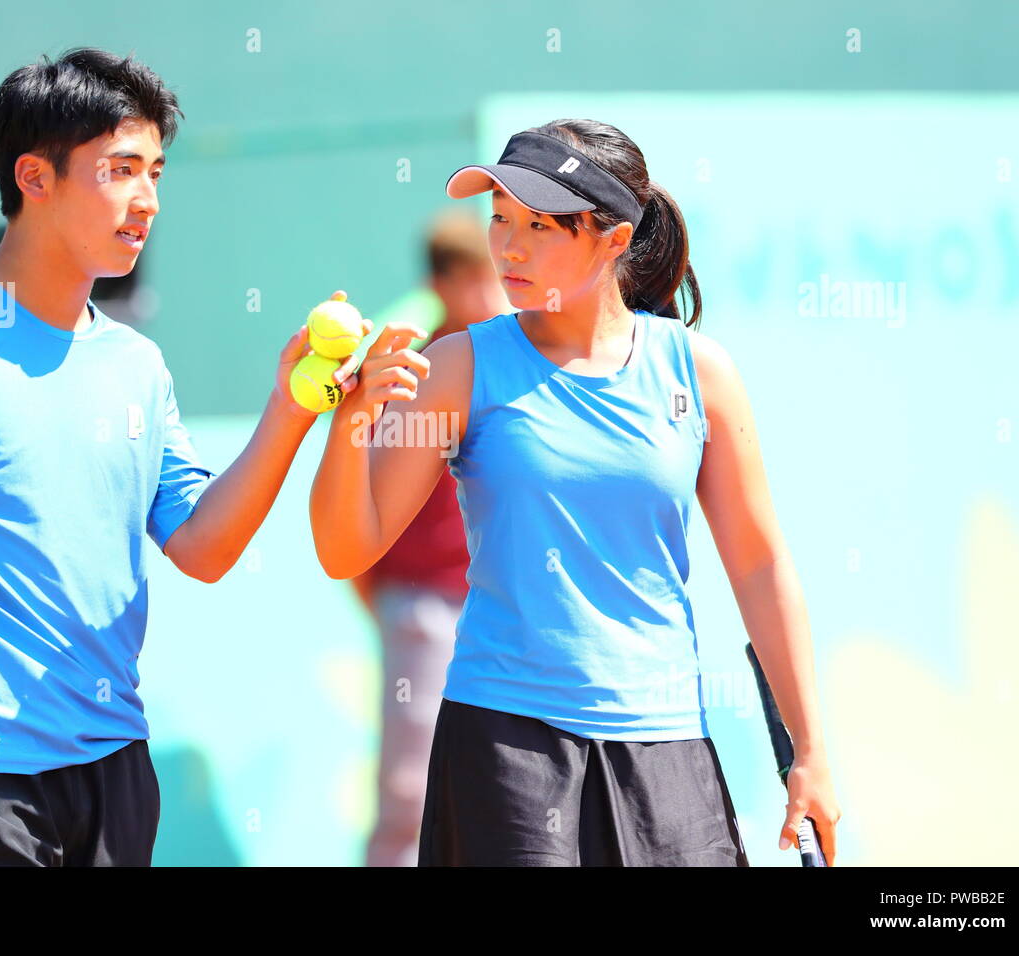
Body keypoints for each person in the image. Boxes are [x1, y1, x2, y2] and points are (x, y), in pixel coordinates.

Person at [0, 48, 368, 867]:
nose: (146, 199)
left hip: (114, 764)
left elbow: (204, 547)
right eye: (119, 170)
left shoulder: (138, 367)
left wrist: (292, 409)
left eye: (155, 171)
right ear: (34, 178)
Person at [310, 119, 841, 866]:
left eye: (540, 225)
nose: (510, 247)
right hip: (505, 746)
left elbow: (759, 565)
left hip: (668, 746)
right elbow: (346, 548)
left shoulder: (701, 374)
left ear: (615, 239)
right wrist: (351, 423)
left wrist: (811, 752)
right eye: (499, 220)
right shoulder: (461, 365)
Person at [349, 212, 508, 867]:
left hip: (500, 611)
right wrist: (388, 602)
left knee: (507, 788)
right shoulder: (407, 377)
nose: (493, 292)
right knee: (410, 787)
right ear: (442, 284)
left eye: (495, 276)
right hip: (422, 605)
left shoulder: (507, 367)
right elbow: (360, 507)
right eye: (477, 278)